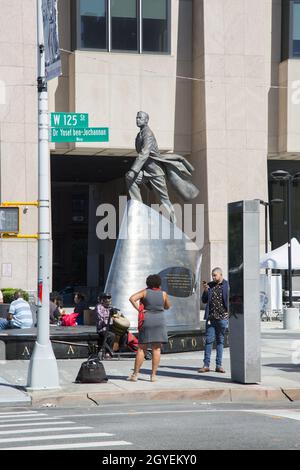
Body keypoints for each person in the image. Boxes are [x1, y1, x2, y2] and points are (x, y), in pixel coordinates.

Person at [125, 111, 199, 223]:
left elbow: (144, 153)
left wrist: (133, 170)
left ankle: (173, 220)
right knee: (130, 178)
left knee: (164, 199)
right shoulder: (140, 134)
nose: (137, 119)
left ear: (146, 120)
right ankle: (138, 209)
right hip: (146, 171)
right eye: (136, 118)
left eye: (140, 118)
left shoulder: (148, 134)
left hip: (155, 172)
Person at [128, 274, 171, 382]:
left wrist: (140, 310)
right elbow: (167, 306)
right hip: (159, 321)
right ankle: (153, 376)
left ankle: (135, 374)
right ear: (159, 283)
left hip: (147, 320)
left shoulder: (144, 292)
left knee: (142, 348)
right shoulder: (164, 294)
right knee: (156, 348)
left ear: (148, 283)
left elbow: (132, 298)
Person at [198, 267, 229, 374]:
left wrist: (228, 313)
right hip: (211, 318)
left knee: (220, 341)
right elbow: (204, 300)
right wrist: (206, 290)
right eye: (212, 275)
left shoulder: (227, 285)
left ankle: (218, 365)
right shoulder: (210, 285)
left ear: (221, 274)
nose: (213, 277)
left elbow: (231, 300)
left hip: (222, 318)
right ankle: (206, 365)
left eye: (215, 275)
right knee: (209, 341)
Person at [95, 292, 115, 357]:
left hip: (110, 328)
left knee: (125, 334)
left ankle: (121, 349)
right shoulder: (99, 307)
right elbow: (102, 318)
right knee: (111, 335)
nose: (109, 300)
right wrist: (111, 317)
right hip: (102, 329)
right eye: (107, 298)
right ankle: (108, 352)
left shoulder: (110, 308)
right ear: (102, 300)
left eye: (109, 298)